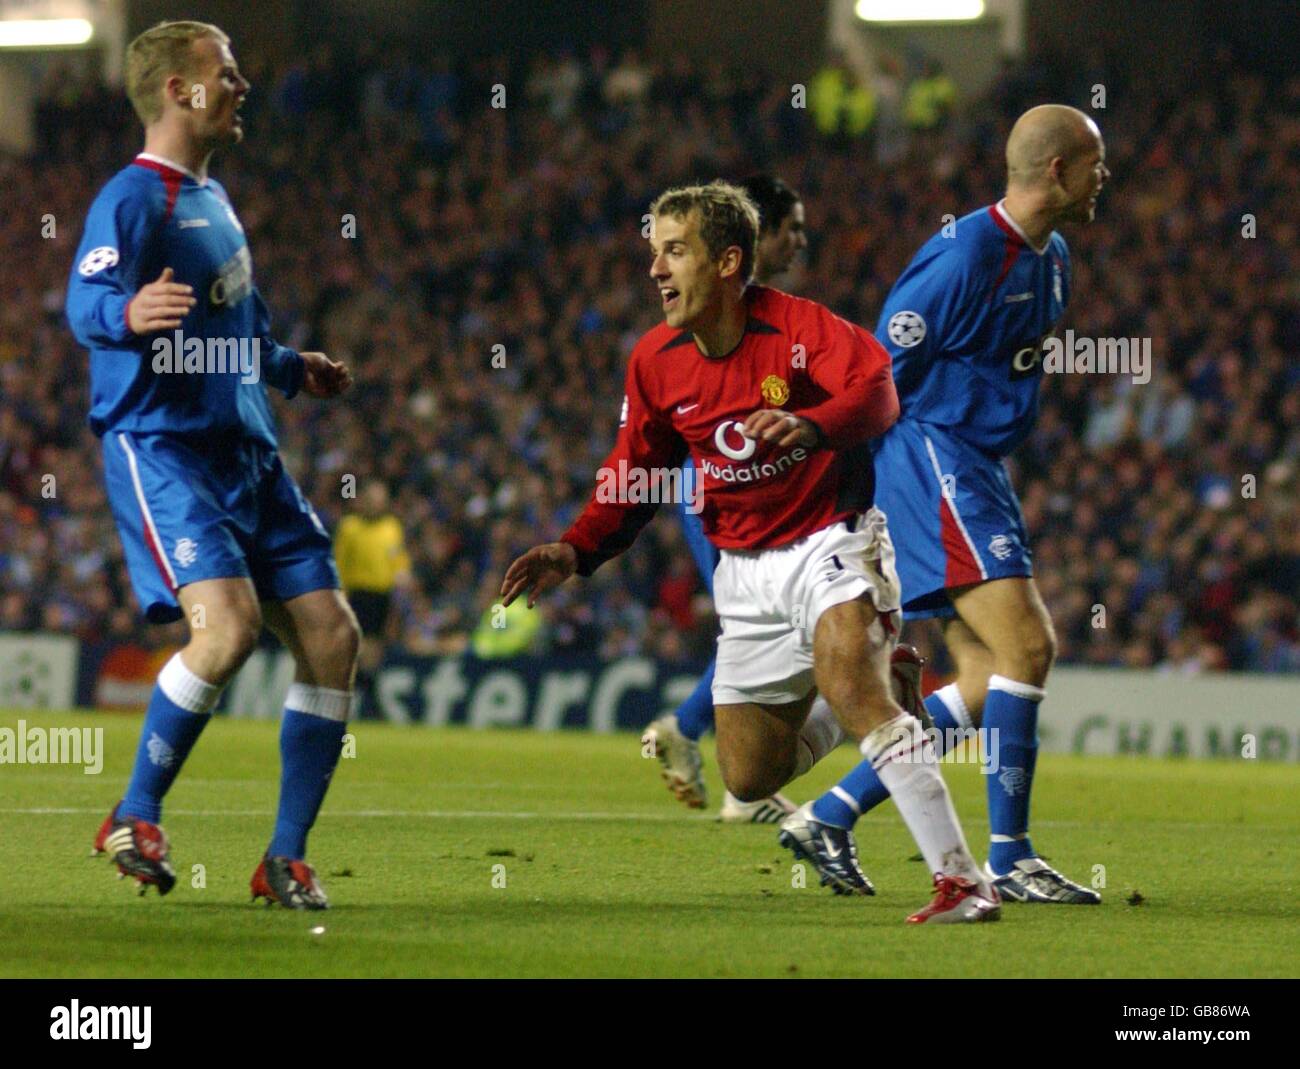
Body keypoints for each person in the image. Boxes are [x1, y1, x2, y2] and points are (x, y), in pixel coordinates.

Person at [503, 181, 999, 923]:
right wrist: (575, 549)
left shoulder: (801, 330)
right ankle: (882, 681)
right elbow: (636, 470)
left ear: (729, 261)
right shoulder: (656, 361)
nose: (656, 271)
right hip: (744, 574)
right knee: (749, 772)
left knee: (855, 692)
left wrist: (812, 425)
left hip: (833, 538)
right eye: (653, 252)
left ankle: (963, 881)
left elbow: (879, 394)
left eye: (674, 251)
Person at [66, 21, 358, 910]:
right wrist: (128, 312)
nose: (240, 87)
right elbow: (86, 296)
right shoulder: (132, 196)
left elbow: (240, 329)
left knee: (334, 636)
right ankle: (134, 812)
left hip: (249, 452)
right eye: (224, 75)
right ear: (177, 91)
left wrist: (288, 366)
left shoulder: (214, 200)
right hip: (167, 448)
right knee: (225, 630)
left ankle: (284, 858)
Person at [806, 104, 1110, 904]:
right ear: (1056, 171)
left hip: (975, 464)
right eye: (1094, 164)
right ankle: (1010, 858)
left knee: (983, 679)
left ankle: (827, 816)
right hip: (930, 454)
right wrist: (865, 483)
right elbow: (881, 368)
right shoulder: (967, 253)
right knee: (1031, 645)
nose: (1103, 177)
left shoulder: (1054, 260)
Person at [644, 174, 924, 825]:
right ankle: (693, 729)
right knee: (773, 614)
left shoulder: (786, 319)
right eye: (790, 228)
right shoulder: (721, 310)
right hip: (732, 492)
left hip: (747, 488)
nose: (801, 240)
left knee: (785, 621)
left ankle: (719, 749)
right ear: (750, 240)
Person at [334, 480, 411, 710]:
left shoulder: (391, 527)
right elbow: (339, 562)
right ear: (363, 501)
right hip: (357, 595)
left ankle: (364, 695)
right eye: (372, 500)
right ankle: (365, 695)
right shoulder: (350, 527)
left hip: (382, 596)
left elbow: (398, 558)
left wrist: (403, 574)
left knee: (374, 648)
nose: (376, 505)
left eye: (381, 501)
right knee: (356, 646)